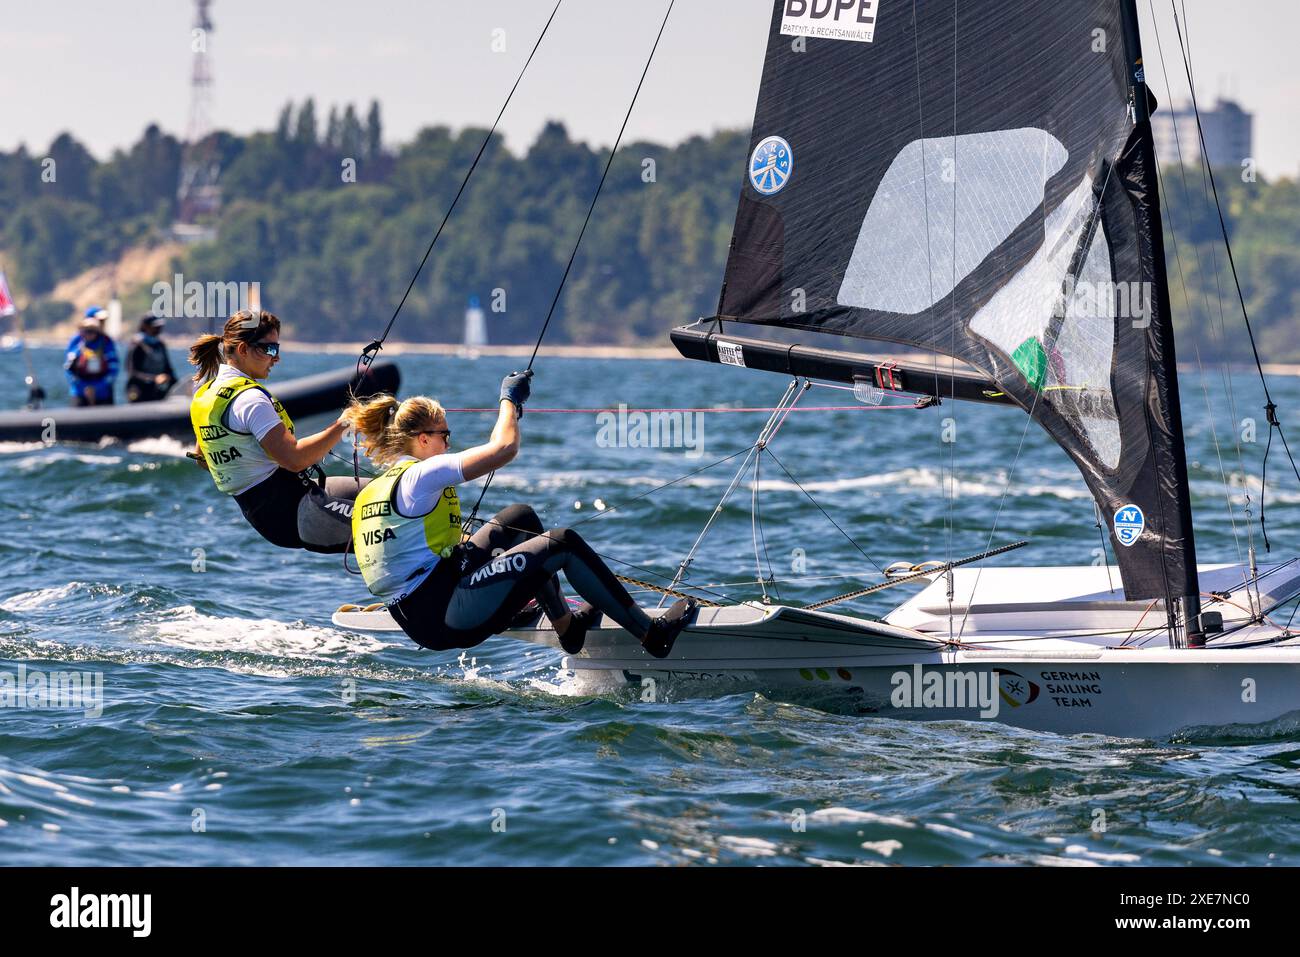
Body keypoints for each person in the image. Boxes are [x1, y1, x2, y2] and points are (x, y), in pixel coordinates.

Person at [344, 376, 696, 658]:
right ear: (423, 440)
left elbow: (412, 554)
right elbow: (504, 449)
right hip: (444, 613)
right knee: (562, 544)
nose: (448, 444)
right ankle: (653, 636)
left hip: (420, 610)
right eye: (444, 436)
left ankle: (568, 629)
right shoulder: (422, 475)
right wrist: (509, 401)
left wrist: (509, 568)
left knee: (521, 518)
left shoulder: (372, 492)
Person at [188, 309, 367, 553]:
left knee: (393, 491)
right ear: (242, 350)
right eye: (270, 349)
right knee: (401, 518)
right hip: (296, 513)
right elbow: (294, 460)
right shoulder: (249, 400)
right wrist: (346, 422)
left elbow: (203, 459)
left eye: (277, 349)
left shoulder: (206, 394)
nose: (277, 357)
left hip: (273, 514)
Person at [63, 307, 119, 406]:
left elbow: (114, 368)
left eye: (103, 321)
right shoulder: (76, 341)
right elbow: (68, 369)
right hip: (80, 393)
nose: (102, 324)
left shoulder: (107, 342)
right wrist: (84, 387)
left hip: (103, 394)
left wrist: (98, 387)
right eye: (100, 321)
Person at [125, 314, 177, 402]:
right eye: (155, 327)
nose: (158, 329)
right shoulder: (137, 345)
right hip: (140, 391)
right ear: (146, 327)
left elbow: (168, 369)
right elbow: (132, 372)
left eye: (159, 327)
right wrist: (154, 378)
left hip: (157, 390)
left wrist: (175, 382)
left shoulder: (160, 345)